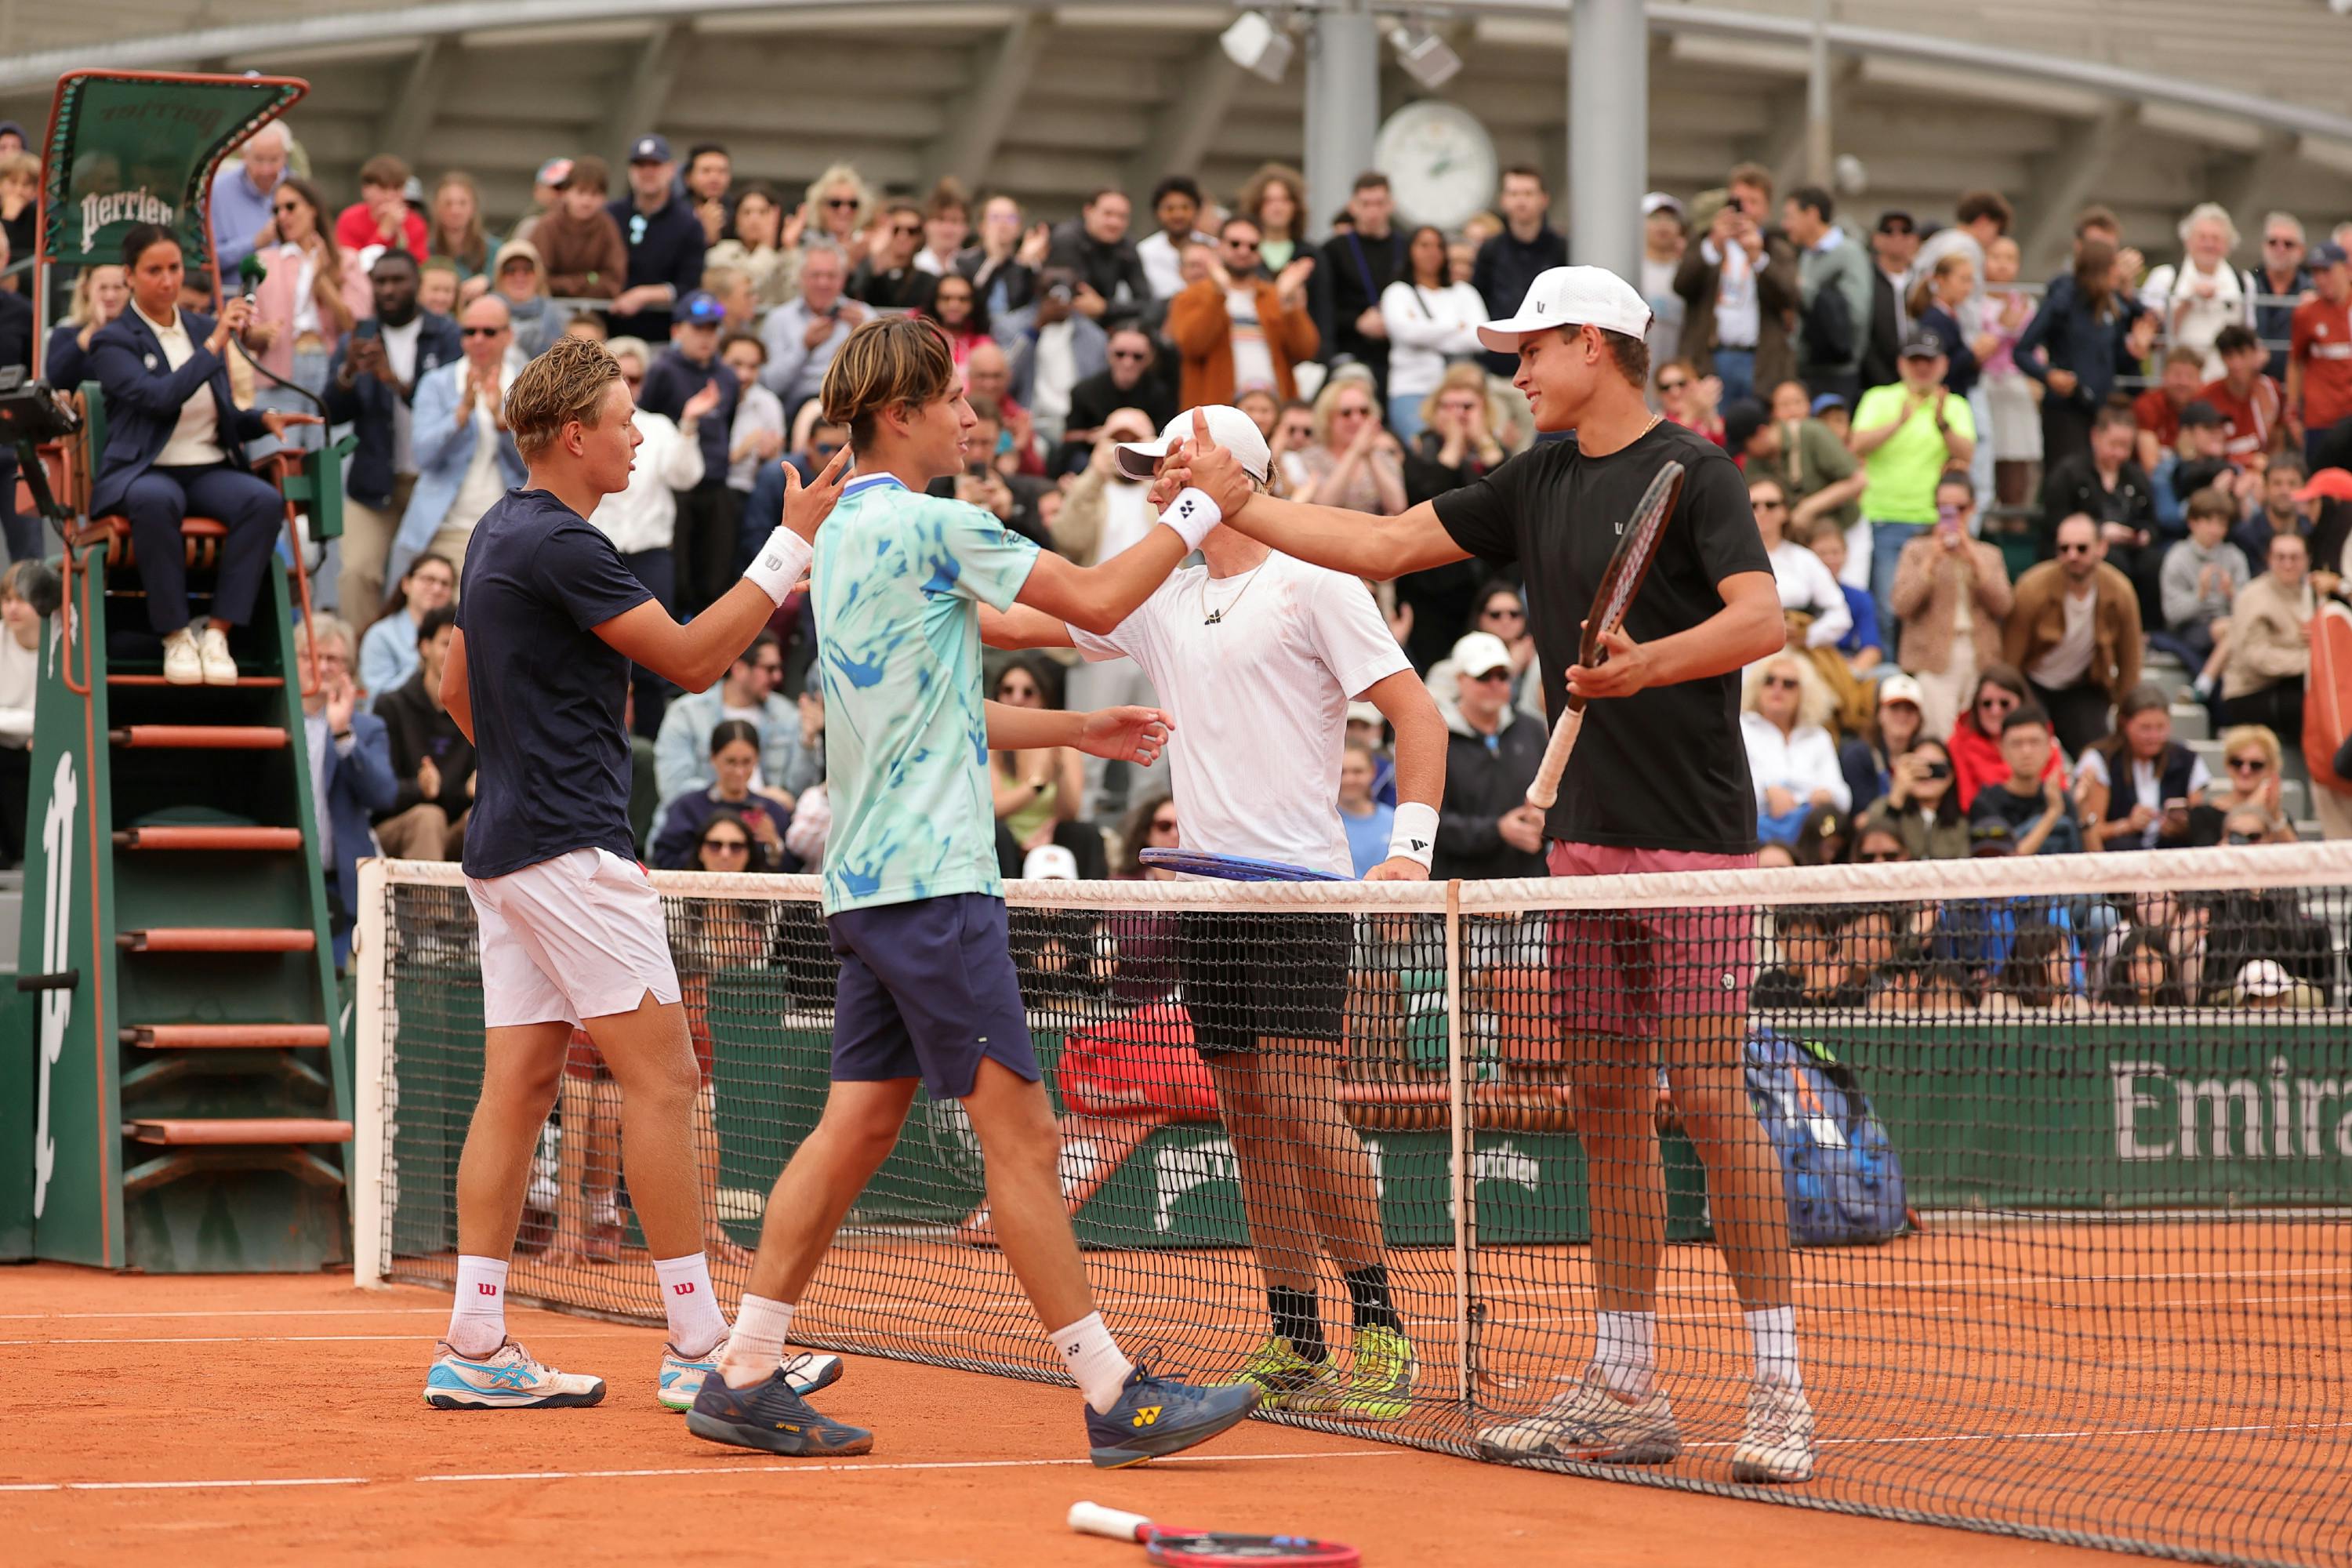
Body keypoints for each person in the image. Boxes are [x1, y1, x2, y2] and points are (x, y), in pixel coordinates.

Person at [1155, 265, 1809, 1483]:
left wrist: (1645, 665)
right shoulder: (1539, 477)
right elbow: (1388, 542)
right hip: (1581, 844)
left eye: (1530, 351)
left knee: (1712, 1098)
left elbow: (1762, 621)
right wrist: (1241, 496)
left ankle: (1778, 1389)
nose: (1515, 373)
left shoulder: (1700, 470)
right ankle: (1627, 1382)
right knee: (1606, 1105)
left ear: (1592, 346)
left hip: (1693, 844)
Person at [690, 317, 1258, 1465]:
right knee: (1027, 1134)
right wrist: (1206, 508)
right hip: (935, 886)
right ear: (899, 413)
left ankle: (745, 1367)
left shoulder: (845, 535)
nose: (969, 415)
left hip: (863, 886)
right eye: (951, 400)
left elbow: (942, 695)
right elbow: (1097, 603)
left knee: (855, 1127)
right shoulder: (939, 522)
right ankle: (1113, 1395)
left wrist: (1079, 728)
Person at [983, 399, 1443, 1422]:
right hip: (1205, 894)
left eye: (1172, 460)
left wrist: (1408, 850)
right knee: (1245, 1115)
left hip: (1299, 890)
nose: (1154, 475)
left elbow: (1414, 710)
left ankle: (1381, 1327)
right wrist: (895, 572)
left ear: (1234, 471)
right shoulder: (1162, 595)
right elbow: (1013, 620)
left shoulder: (1315, 579)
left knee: (1301, 1104)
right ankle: (1295, 1332)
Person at [422, 333, 851, 1413]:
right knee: (666, 1083)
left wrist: (516, 770)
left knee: (518, 1090)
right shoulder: (562, 543)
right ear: (575, 435)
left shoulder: (495, 536)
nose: (639, 434)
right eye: (624, 419)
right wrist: (789, 545)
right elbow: (700, 660)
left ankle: (476, 1345)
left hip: (507, 846)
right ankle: (705, 1349)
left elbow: (456, 689)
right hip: (570, 849)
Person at [89, 225, 320, 684]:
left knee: (263, 501)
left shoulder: (198, 326)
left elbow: (220, 410)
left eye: (174, 268)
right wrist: (215, 344)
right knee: (156, 501)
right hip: (144, 470)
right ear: (130, 276)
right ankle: (175, 635)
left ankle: (217, 634)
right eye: (154, 270)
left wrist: (260, 420)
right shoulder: (112, 340)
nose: (168, 280)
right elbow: (158, 399)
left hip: (206, 465)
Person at [325, 250, 463, 620]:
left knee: (444, 579)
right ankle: (359, 669)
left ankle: (438, 667)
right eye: (380, 281)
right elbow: (330, 413)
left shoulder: (446, 334)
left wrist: (395, 382)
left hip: (434, 482)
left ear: (417, 283)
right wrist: (348, 374)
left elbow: (454, 410)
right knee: (356, 573)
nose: (388, 289)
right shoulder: (357, 336)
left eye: (397, 280)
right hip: (373, 481)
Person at [589, 337, 715, 736]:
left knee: (653, 665)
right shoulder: (592, 425)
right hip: (599, 551)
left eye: (636, 377)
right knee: (594, 661)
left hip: (651, 555)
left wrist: (690, 423)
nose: (629, 384)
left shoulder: (658, 428)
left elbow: (687, 476)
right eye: (619, 376)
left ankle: (650, 750)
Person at [383, 295, 527, 593]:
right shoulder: (437, 383)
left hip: (505, 533)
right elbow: (422, 455)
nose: (478, 340)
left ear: (508, 336)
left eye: (489, 332)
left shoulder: (527, 387)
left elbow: (537, 465)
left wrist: (503, 424)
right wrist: (460, 415)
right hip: (442, 530)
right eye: (469, 331)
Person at [1851, 328, 1976, 630]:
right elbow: (1856, 445)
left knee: (1933, 603)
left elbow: (1967, 454)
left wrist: (1942, 423)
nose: (1922, 367)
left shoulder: (1954, 405)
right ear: (1901, 364)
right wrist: (1898, 422)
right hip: (1884, 517)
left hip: (1935, 520)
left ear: (1943, 364)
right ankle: (1894, 675)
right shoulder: (1879, 397)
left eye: (1929, 361)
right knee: (1888, 605)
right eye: (1915, 360)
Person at [294, 615, 398, 960]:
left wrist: (342, 735)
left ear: (348, 669)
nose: (321, 667)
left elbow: (385, 795)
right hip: (282, 879)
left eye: (332, 659)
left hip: (341, 886)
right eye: (310, 655)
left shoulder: (366, 728)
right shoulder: (272, 720)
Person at [246, 178, 370, 454]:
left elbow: (355, 324)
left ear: (313, 208)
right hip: (278, 371)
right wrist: (258, 333)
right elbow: (246, 331)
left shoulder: (346, 259)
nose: (283, 216)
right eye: (276, 210)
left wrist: (321, 278)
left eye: (291, 207)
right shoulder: (264, 261)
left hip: (330, 371)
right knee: (272, 462)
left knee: (329, 466)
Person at [640, 291, 743, 616]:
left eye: (712, 329)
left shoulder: (727, 376)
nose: (706, 337)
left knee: (716, 573)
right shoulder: (662, 371)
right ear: (677, 331)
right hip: (675, 488)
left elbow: (727, 423)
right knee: (679, 572)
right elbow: (648, 420)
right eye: (698, 328)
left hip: (715, 483)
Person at [2005, 514, 2142, 758]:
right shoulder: (2032, 587)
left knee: (2101, 758)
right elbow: (2011, 659)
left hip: (2083, 685)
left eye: (2081, 548)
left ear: (2102, 547)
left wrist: (2126, 716)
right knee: (2031, 751)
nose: (2072, 556)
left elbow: (2130, 661)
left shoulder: (2120, 592)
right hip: (2032, 684)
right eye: (2064, 548)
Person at [1889, 470, 2013, 737]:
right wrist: (1931, 562)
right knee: (1939, 734)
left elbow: (2004, 605)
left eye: (1960, 508)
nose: (1954, 516)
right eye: (1946, 509)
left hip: (1981, 656)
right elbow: (1902, 605)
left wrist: (1973, 558)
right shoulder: (1917, 550)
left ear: (1972, 509)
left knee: (1978, 737)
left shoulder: (1989, 554)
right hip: (1933, 657)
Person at [2016, 237, 2154, 470]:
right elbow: (2022, 351)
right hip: (2066, 407)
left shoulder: (2112, 306)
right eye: (2113, 268)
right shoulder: (2063, 301)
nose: (2117, 275)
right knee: (2067, 474)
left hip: (2100, 408)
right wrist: (2048, 375)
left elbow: (2117, 361)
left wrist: (2135, 352)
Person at [1672, 165, 1799, 405]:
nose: (1746, 209)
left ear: (1766, 208)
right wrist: (1714, 246)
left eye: (1754, 202)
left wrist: (1759, 260)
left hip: (1758, 360)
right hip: (1711, 356)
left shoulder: (1777, 249)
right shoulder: (1705, 241)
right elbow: (1682, 285)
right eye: (1739, 200)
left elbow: (1790, 297)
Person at [1166, 220, 1319, 410]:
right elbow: (1192, 346)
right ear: (1219, 246)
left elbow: (1305, 350)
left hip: (1272, 415)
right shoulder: (1190, 296)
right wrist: (1218, 295)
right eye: (1235, 244)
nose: (1243, 251)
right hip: (1215, 418)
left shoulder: (1274, 295)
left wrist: (1289, 304)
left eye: (1252, 246)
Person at [1430, 630, 1546, 880]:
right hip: (1460, 893)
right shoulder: (1435, 736)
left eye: (1502, 675)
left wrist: (1545, 821)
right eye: (1483, 676)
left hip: (1530, 889)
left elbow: (1560, 795)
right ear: (1459, 680)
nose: (1495, 684)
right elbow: (1429, 821)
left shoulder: (1532, 729)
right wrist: (1498, 830)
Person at [987, 655, 1111, 880]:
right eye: (1008, 690)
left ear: (1042, 698)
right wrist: (1037, 785)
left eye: (1028, 692)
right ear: (997, 697)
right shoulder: (990, 747)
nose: (1017, 699)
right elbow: (993, 808)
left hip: (1050, 839)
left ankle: (1094, 914)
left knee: (1086, 834)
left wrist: (1059, 771)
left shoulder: (1062, 746)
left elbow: (1069, 812)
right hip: (1008, 843)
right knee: (997, 832)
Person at [372, 604, 474, 861]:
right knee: (429, 818)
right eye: (445, 643)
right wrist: (419, 789)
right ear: (424, 647)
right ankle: (429, 904)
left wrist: (475, 792)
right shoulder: (391, 706)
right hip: (399, 827)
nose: (454, 653)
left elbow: (466, 798)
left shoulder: (478, 711)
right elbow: (378, 794)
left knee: (480, 818)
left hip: (452, 828)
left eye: (461, 645)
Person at [2038, 404, 2159, 615]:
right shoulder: (2069, 473)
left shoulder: (2136, 477)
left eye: (2126, 447)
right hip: (2083, 548)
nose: (2119, 453)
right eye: (2113, 444)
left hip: (2130, 549)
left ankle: (2146, 628)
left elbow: (2151, 520)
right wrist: (2099, 531)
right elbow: (2055, 521)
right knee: (2113, 561)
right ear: (2095, 436)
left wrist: (2144, 535)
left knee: (2153, 562)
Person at [1379, 225, 1486, 441]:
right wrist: (1456, 327)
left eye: (1438, 246)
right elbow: (1407, 333)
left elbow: (1481, 338)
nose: (1432, 252)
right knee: (1426, 449)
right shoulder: (1398, 292)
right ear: (1410, 250)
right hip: (1412, 390)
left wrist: (1427, 333)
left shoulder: (1464, 292)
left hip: (1460, 392)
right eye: (1424, 245)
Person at [2077, 684, 2207, 852]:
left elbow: (2199, 823)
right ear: (2125, 724)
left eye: (2161, 727)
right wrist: (2127, 825)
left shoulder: (2187, 758)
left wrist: (2182, 825)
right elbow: (2090, 829)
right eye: (2145, 728)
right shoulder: (2100, 759)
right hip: (2120, 856)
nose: (2154, 736)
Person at [653, 719, 797, 871]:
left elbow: (793, 871)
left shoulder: (772, 812)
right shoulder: (687, 808)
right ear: (713, 758)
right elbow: (665, 859)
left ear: (757, 759)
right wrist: (706, 855)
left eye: (746, 762)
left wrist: (775, 845)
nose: (739, 771)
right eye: (731, 762)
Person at [607, 134, 708, 341]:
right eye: (640, 165)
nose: (648, 172)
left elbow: (689, 285)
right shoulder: (610, 215)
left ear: (671, 169)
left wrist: (645, 295)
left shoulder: (688, 223)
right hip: (610, 330)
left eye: (655, 164)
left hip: (662, 335)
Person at [1741, 654, 1849, 846]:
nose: (1777, 688)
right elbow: (1731, 790)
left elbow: (1843, 796)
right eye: (1769, 680)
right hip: (1757, 829)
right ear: (1757, 687)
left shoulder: (1818, 737)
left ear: (1804, 693)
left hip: (1811, 831)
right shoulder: (1741, 729)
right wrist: (1767, 792)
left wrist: (1826, 796)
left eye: (1789, 684)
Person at [1473, 166, 1569, 379]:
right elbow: (1479, 300)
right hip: (1497, 365)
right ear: (1503, 200)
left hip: (1549, 364)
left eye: (1528, 193)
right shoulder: (1490, 250)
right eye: (1514, 193)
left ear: (1544, 199)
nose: (1521, 201)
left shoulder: (1562, 249)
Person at [2140, 204, 2255, 379]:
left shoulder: (2244, 282)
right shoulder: (2164, 277)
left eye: (2216, 238)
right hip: (2178, 384)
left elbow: (2250, 336)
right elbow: (2152, 338)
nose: (2209, 244)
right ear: (2187, 240)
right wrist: (2187, 302)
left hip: (2225, 383)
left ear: (2228, 244)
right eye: (2202, 237)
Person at [2220, 530, 2315, 742]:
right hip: (2250, 691)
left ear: (2307, 560)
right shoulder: (2254, 596)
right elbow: (2257, 658)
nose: (2288, 564)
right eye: (2280, 557)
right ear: (2269, 559)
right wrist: (2309, 660)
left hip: (2291, 683)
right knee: (2311, 706)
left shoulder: (2311, 594)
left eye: (2294, 557)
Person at [2156, 487, 2250, 699]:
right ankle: (2204, 686)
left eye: (2222, 524)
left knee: (2232, 628)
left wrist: (2232, 594)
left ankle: (2205, 685)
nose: (2215, 530)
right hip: (2189, 629)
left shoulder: (2235, 557)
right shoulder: (2177, 557)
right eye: (2209, 522)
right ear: (2193, 523)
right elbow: (2172, 614)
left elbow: (2248, 609)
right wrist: (2200, 595)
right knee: (2229, 629)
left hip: (2229, 626)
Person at [1782, 186, 1871, 408]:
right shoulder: (1806, 256)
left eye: (1790, 217)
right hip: (1808, 369)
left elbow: (1856, 314)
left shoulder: (1849, 253)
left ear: (1812, 214)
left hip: (1838, 373)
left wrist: (1803, 290)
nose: (1786, 225)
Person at [759, 242, 865, 423]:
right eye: (815, 275)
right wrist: (804, 347)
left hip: (852, 403)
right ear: (801, 278)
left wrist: (861, 339)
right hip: (797, 406)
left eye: (831, 276)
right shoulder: (779, 319)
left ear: (843, 279)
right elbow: (770, 385)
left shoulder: (862, 317)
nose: (823, 283)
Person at [1323, 173, 1407, 395]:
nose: (1373, 211)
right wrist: (1357, 322)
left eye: (1379, 203)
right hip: (1351, 352)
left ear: (1391, 205)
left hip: (1399, 354)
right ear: (1353, 207)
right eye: (1366, 204)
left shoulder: (1406, 248)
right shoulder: (1334, 250)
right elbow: (1325, 307)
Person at [1747, 475, 1849, 653]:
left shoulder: (1804, 559)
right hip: (1744, 654)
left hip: (1794, 657)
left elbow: (1840, 615)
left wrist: (1808, 635)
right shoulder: (1728, 557)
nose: (1762, 511)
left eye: (1771, 505)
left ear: (1785, 511)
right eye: (1754, 506)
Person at [1966, 705, 2082, 855]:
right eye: (2016, 744)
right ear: (2002, 749)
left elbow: (2081, 860)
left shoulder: (2062, 799)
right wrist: (2052, 814)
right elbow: (2003, 863)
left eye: (2034, 742)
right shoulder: (1986, 802)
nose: (2026, 752)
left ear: (2049, 748)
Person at [0, 560, 54, 866]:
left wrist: (40, 729)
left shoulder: (60, 644)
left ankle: (32, 850)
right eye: (7, 600)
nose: (13, 609)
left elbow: (58, 715)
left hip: (38, 746)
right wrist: (34, 724)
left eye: (21, 599)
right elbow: (40, 717)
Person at [1947, 664, 2059, 810]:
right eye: (1987, 704)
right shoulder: (1957, 745)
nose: (1995, 711)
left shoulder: (2043, 740)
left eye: (2004, 703)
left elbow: (2057, 792)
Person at [1293, 377, 1407, 516]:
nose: (1356, 419)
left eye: (1364, 411)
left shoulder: (1383, 455)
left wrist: (1369, 455)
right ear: (1327, 418)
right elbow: (1324, 504)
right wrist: (1355, 451)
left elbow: (1398, 506)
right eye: (1346, 413)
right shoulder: (1310, 457)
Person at [2288, 241, 2352, 473]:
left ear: (2345, 269)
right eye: (2315, 272)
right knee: (2320, 483)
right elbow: (2295, 362)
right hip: (2321, 419)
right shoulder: (2306, 314)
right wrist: (2293, 411)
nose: (2321, 279)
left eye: (2326, 271)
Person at [358, 553, 456, 698]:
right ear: (406, 584)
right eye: (429, 580)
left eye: (445, 584)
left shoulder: (459, 637)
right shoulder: (380, 635)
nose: (437, 589)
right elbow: (377, 698)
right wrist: (426, 668)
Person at [1861, 735, 1970, 862]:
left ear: (1951, 776)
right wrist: (1897, 797)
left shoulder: (1961, 822)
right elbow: (1874, 845)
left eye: (1936, 769)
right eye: (1918, 768)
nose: (1927, 775)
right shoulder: (1881, 808)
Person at [535, 158, 627, 301]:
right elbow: (538, 279)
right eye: (580, 192)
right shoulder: (547, 227)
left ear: (604, 198)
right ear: (566, 193)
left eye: (594, 194)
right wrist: (588, 279)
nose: (586, 201)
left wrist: (568, 285)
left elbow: (613, 281)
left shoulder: (608, 227)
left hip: (596, 313)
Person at [210, 121, 291, 278]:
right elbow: (208, 259)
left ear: (286, 157)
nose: (266, 170)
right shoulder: (217, 191)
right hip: (234, 295)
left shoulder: (296, 191)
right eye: (259, 160)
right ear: (244, 156)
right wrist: (255, 242)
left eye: (274, 160)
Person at [2201, 323, 2286, 470]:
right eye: (2229, 355)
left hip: (2264, 473)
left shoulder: (2270, 390)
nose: (2236, 363)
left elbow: (2278, 441)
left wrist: (2271, 469)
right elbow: (2203, 451)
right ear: (2222, 358)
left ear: (2254, 353)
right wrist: (2247, 461)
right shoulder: (2206, 397)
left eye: (2242, 353)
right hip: (2222, 472)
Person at [1838, 671, 1926, 814]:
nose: (1902, 715)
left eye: (1910, 709)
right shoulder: (1857, 755)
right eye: (1894, 707)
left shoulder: (1923, 757)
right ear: (1880, 713)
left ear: (1919, 718)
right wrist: (1897, 794)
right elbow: (1859, 820)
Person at [2201, 724, 2297, 844]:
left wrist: (2275, 817)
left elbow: (2295, 857)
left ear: (2271, 769)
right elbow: (2209, 859)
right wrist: (2251, 806)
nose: (2245, 771)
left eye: (2256, 765)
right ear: (2227, 765)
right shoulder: (2203, 815)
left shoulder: (2279, 817)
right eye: (2237, 763)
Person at [335, 154, 429, 263]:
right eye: (383, 188)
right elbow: (355, 267)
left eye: (396, 188)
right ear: (365, 190)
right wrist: (384, 232)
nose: (390, 196)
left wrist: (400, 235)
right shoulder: (349, 219)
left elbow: (418, 268)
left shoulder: (416, 223)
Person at [485, 241, 563, 358]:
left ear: (538, 274)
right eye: (510, 270)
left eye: (527, 270)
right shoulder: (483, 313)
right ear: (499, 276)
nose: (519, 277)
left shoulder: (559, 317)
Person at [1338, 740, 1395, 878]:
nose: (1350, 779)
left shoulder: (1394, 821)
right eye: (1342, 772)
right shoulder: (1321, 821)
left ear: (1373, 771)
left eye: (1358, 771)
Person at [427, 172, 492, 283]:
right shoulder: (425, 250)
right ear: (436, 207)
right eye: (448, 203)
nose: (455, 211)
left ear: (474, 207)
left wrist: (487, 281)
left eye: (463, 203)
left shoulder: (493, 250)